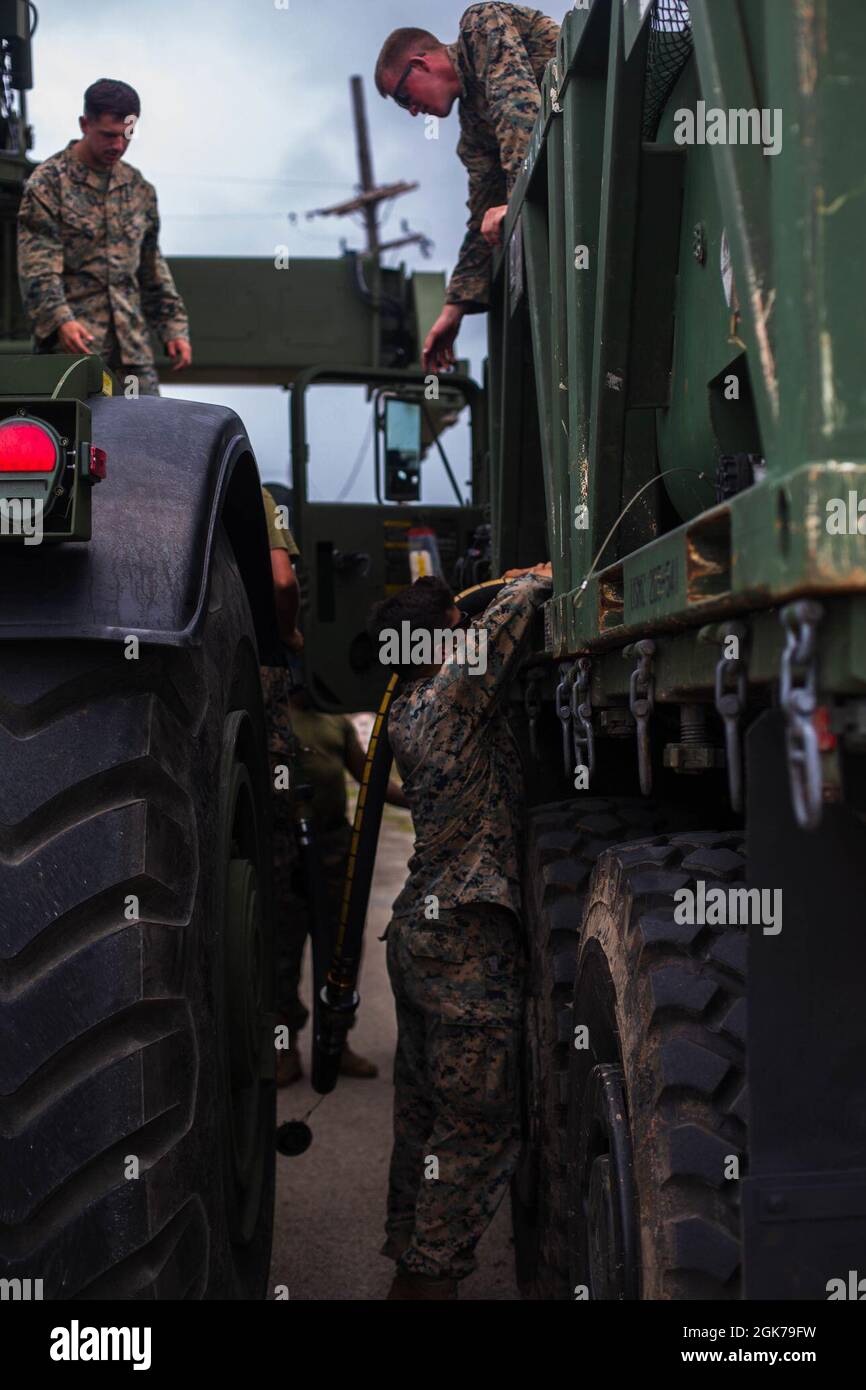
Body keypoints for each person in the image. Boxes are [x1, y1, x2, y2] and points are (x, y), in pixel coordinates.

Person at [368, 562, 552, 1299]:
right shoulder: (449, 697)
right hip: (464, 943)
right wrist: (527, 578)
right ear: (438, 640)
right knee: (475, 1119)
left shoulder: (407, 709)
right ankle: (430, 1280)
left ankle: (410, 1259)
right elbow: (519, 609)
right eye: (452, 629)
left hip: (421, 935)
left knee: (422, 1114)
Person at [375, 5, 559, 372]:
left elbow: (516, 103)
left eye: (402, 96)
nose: (411, 111)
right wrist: (454, 306)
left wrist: (517, 198)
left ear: (421, 63)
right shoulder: (474, 132)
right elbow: (482, 216)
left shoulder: (479, 24)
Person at [17, 78, 191, 396]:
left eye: (127, 136)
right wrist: (60, 320)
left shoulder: (139, 190)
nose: (118, 146)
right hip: (73, 351)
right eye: (108, 135)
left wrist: (172, 328)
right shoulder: (48, 183)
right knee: (78, 440)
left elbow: (152, 269)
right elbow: (37, 265)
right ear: (85, 124)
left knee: (147, 438)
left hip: (133, 353)